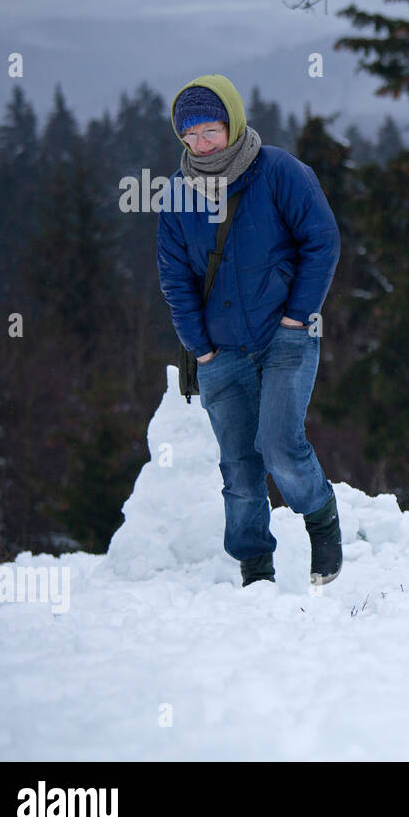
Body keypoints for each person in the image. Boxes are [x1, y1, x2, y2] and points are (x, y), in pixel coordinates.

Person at [157, 74, 343, 586]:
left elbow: (322, 242)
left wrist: (295, 317)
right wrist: (203, 351)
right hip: (221, 351)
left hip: (284, 336)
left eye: (209, 131)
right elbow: (175, 277)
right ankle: (254, 564)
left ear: (232, 123)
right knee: (239, 467)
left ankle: (321, 519)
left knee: (280, 445)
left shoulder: (280, 171)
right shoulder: (178, 193)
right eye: (189, 136)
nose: (200, 144)